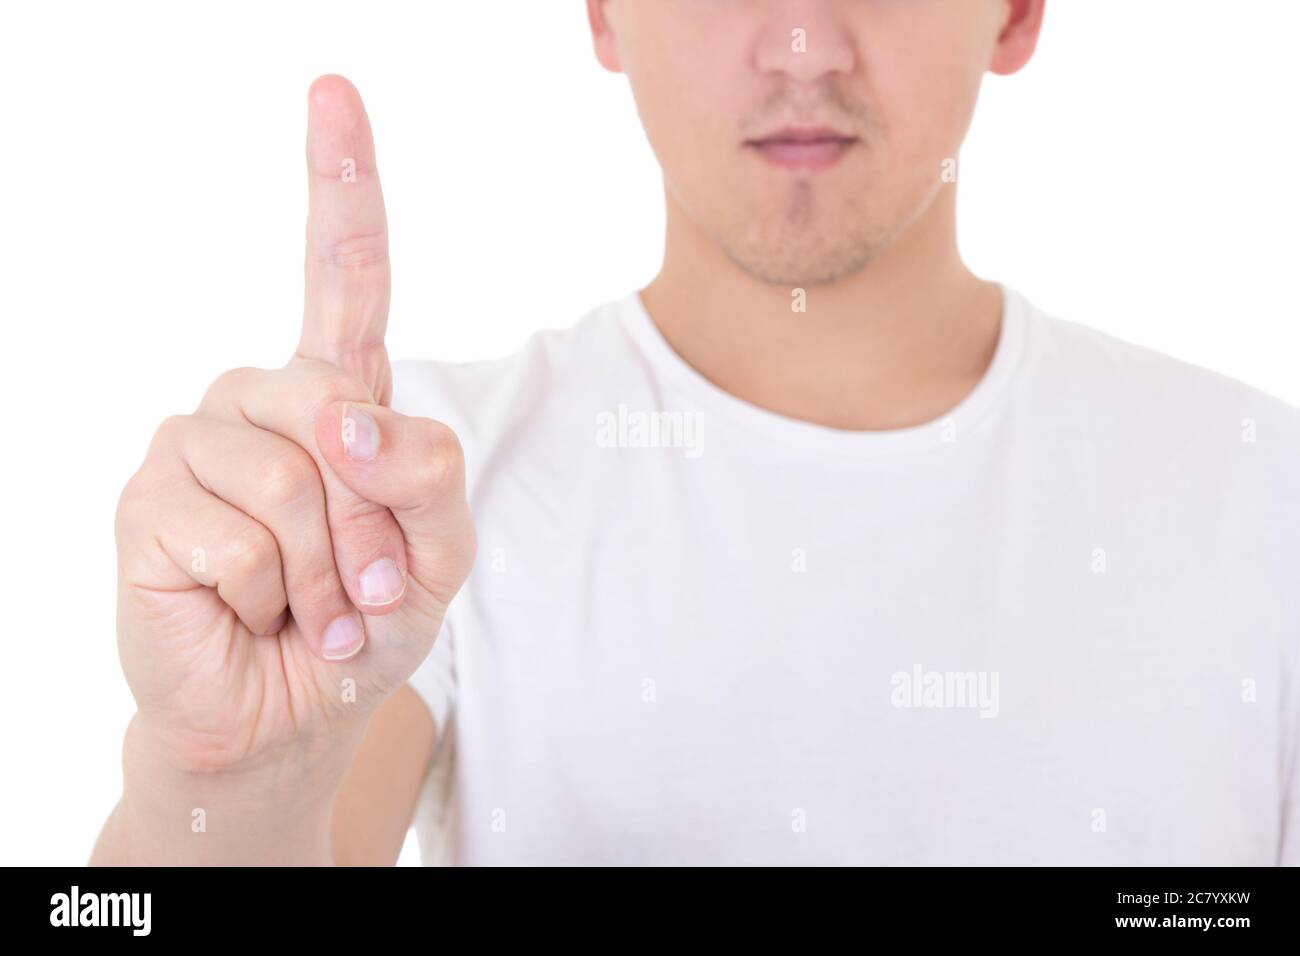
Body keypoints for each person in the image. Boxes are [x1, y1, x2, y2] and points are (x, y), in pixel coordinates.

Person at [92, 0, 1300, 866]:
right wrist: (219, 791)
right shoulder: (406, 498)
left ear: (1018, 11)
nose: (800, 45)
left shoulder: (1262, 500)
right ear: (603, 14)